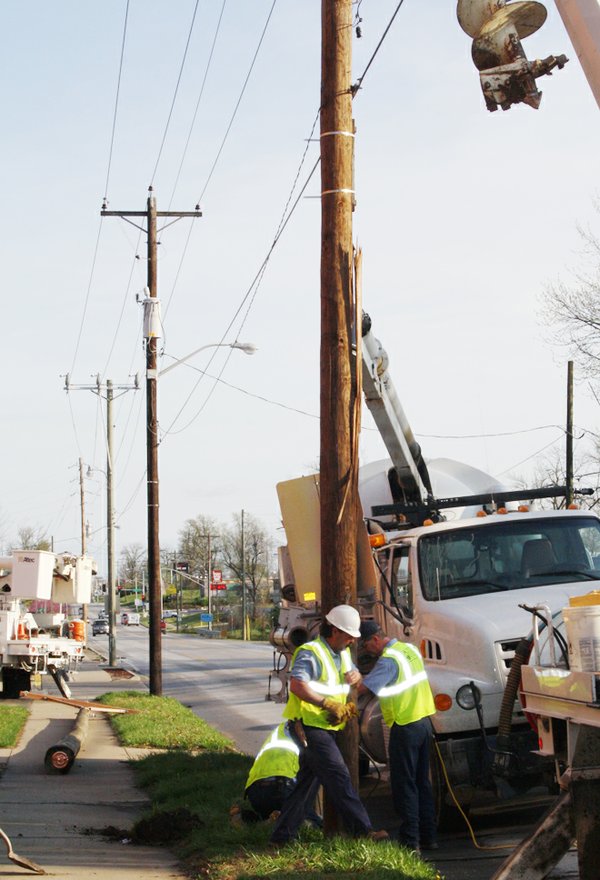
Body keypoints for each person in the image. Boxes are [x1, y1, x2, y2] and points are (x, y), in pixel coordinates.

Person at [269, 604, 388, 845]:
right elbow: (297, 686)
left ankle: (281, 838)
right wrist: (328, 704)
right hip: (308, 727)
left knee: (305, 786)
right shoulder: (310, 652)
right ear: (333, 630)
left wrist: (357, 677)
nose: (351, 642)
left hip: (325, 727)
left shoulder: (342, 653)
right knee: (339, 775)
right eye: (348, 636)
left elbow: (351, 677)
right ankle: (363, 831)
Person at [358, 620, 437, 852]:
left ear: (375, 639)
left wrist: (350, 681)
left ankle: (410, 841)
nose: (365, 651)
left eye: (365, 646)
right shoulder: (409, 649)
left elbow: (366, 688)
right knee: (422, 783)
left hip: (405, 726)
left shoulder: (389, 660)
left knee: (405, 785)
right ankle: (429, 837)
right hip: (423, 722)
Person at [244, 720, 321, 825]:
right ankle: (293, 820)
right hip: (282, 788)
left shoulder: (283, 728)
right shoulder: (309, 727)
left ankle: (261, 820)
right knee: (317, 825)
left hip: (255, 793)